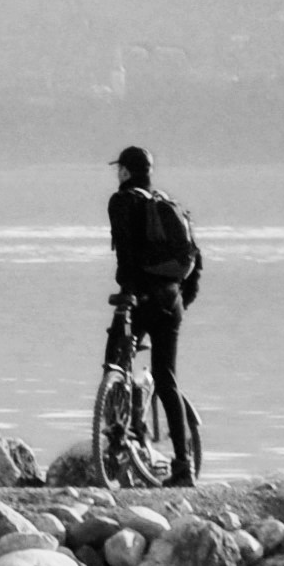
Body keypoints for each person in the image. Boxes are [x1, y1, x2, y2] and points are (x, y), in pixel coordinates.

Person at [107, 144, 202, 466]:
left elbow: (126, 254)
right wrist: (181, 300)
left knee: (115, 359)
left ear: (124, 171)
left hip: (141, 297)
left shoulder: (122, 201)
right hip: (172, 301)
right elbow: (194, 258)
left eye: (118, 170)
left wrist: (128, 293)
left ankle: (118, 435)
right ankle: (184, 465)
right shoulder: (168, 204)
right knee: (166, 379)